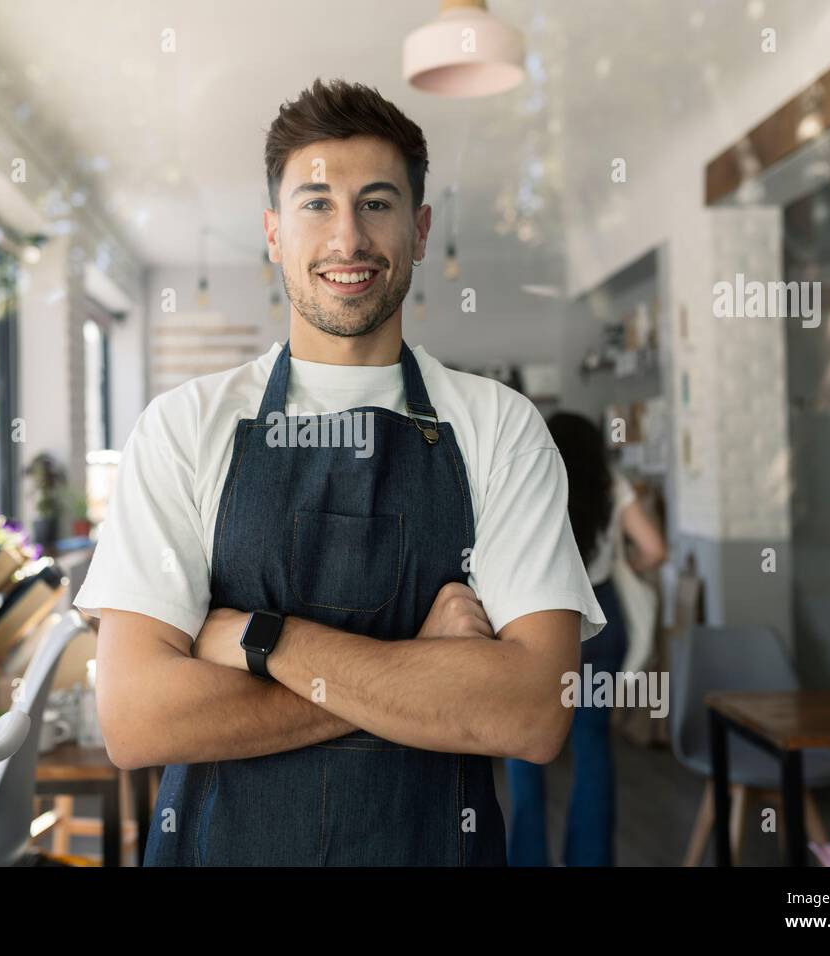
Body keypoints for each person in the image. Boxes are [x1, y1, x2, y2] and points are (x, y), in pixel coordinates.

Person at [72, 78, 607, 866]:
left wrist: (264, 639)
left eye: (378, 203)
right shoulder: (184, 428)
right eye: (316, 203)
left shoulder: (500, 427)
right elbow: (138, 720)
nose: (347, 237)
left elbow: (530, 715)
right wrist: (422, 670)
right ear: (273, 232)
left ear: (421, 230)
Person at [504, 411, 668, 866]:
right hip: (601, 614)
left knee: (525, 742)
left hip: (540, 613)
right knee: (593, 743)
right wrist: (624, 568)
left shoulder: (531, 474)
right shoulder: (611, 482)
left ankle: (527, 859)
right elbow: (656, 549)